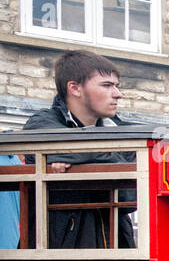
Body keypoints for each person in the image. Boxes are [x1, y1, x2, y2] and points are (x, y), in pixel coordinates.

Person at [22, 50, 136, 249]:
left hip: (118, 251)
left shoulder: (128, 132)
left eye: (116, 86)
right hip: (58, 254)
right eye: (107, 85)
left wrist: (74, 158)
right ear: (75, 88)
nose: (118, 94)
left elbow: (130, 198)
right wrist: (109, 162)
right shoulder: (41, 123)